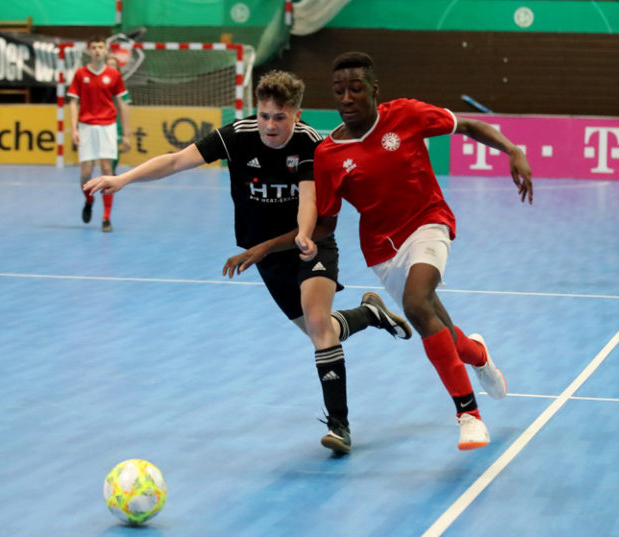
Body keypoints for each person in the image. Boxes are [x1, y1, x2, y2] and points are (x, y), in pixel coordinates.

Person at [84, 70, 412, 454]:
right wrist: (123, 179)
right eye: (264, 116)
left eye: (280, 117)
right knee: (320, 331)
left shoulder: (311, 145)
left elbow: (309, 201)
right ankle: (370, 314)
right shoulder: (237, 136)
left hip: (308, 244)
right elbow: (175, 161)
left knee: (320, 325)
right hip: (265, 253)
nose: (270, 126)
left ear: (297, 114)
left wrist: (304, 235)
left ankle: (339, 425)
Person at [301, 51, 533, 451]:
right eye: (339, 91)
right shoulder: (328, 155)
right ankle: (477, 354)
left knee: (415, 303)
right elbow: (326, 221)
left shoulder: (406, 115)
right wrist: (300, 242)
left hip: (428, 223)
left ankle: (469, 416)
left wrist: (513, 149)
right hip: (381, 251)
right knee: (437, 325)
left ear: (375, 90)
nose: (346, 97)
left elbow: (469, 125)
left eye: (356, 88)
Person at [68, 37, 131, 232]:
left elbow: (122, 103)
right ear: (89, 51)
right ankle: (88, 201)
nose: (97, 50)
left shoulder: (113, 74)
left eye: (100, 47)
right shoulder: (80, 74)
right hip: (86, 126)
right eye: (93, 47)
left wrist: (126, 133)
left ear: (105, 51)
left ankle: (106, 217)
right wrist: (74, 128)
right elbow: (73, 102)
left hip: (108, 126)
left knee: (107, 170)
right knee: (86, 173)